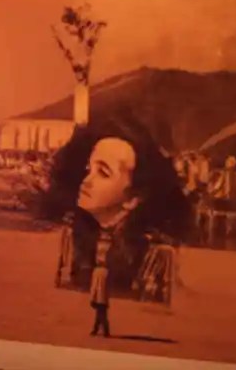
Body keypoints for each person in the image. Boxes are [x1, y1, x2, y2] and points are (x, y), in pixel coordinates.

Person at [43, 114, 194, 336]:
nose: (87, 180)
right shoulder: (80, 234)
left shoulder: (144, 247)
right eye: (88, 169)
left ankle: (100, 326)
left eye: (103, 172)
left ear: (134, 198)